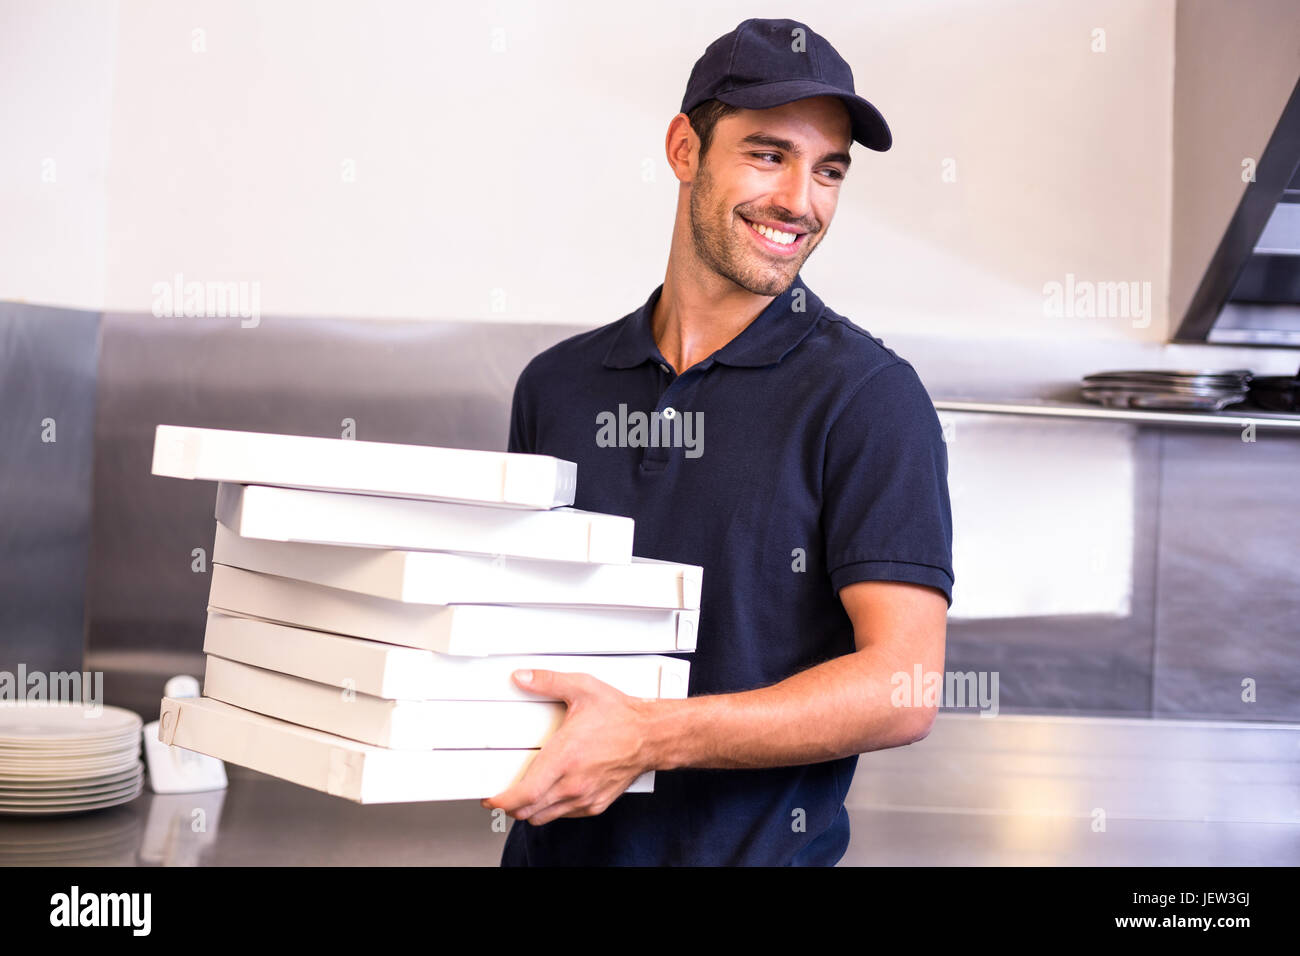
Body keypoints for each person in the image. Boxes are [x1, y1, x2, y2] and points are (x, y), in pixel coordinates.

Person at [483, 17, 954, 866]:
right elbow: (513, 625)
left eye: (830, 170)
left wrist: (652, 737)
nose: (801, 202)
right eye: (768, 154)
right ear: (684, 149)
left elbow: (903, 687)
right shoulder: (558, 385)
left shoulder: (869, 399)